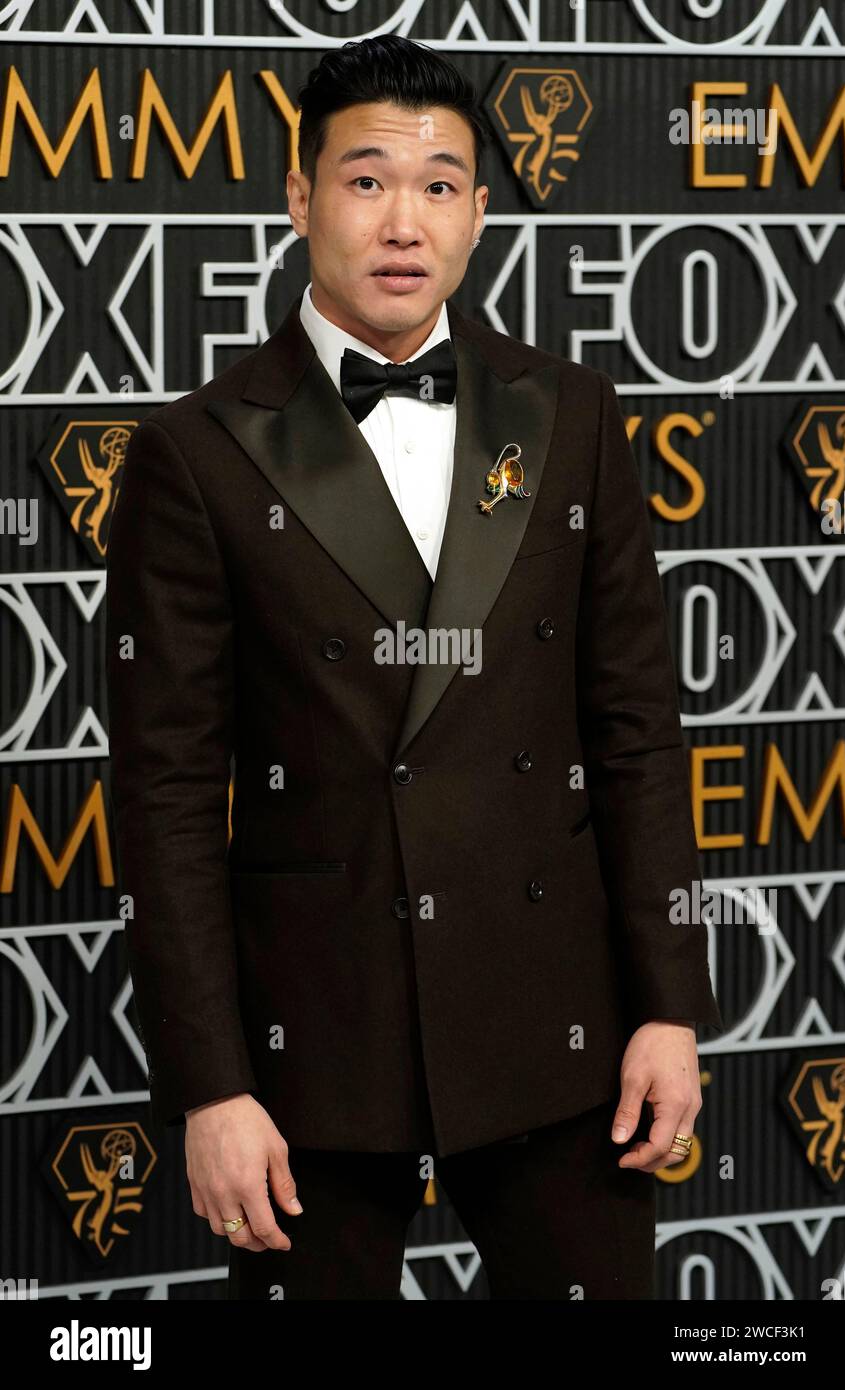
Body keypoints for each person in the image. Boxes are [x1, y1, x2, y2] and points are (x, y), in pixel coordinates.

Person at [105, 34, 723, 1300]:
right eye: (367, 178)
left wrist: (669, 1005)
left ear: (481, 213)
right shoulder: (197, 453)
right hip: (312, 1040)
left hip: (557, 1025)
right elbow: (164, 790)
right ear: (298, 198)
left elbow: (637, 730)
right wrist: (213, 1083)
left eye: (440, 184)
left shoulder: (574, 413)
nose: (405, 220)